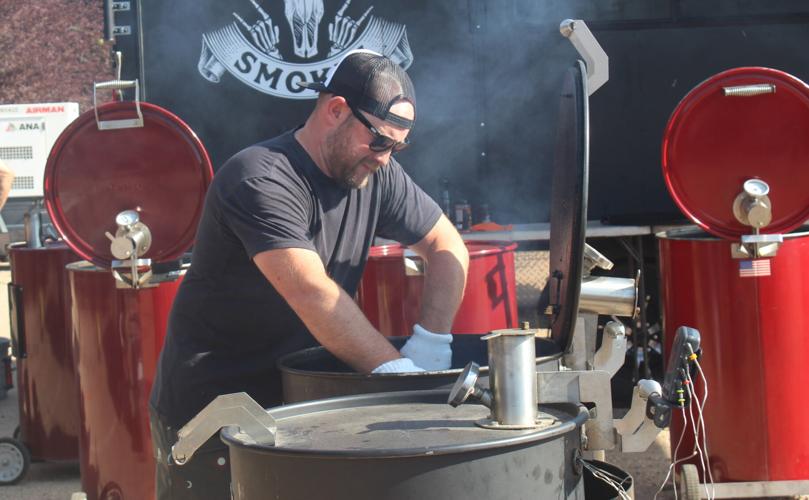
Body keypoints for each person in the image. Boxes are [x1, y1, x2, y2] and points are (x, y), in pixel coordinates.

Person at [149, 50, 469, 499]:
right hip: (215, 411)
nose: (385, 158)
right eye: (380, 141)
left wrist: (432, 344)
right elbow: (313, 293)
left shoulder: (377, 173)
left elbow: (447, 246)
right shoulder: (260, 178)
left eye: (398, 147)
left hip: (298, 406)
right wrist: (398, 374)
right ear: (335, 110)